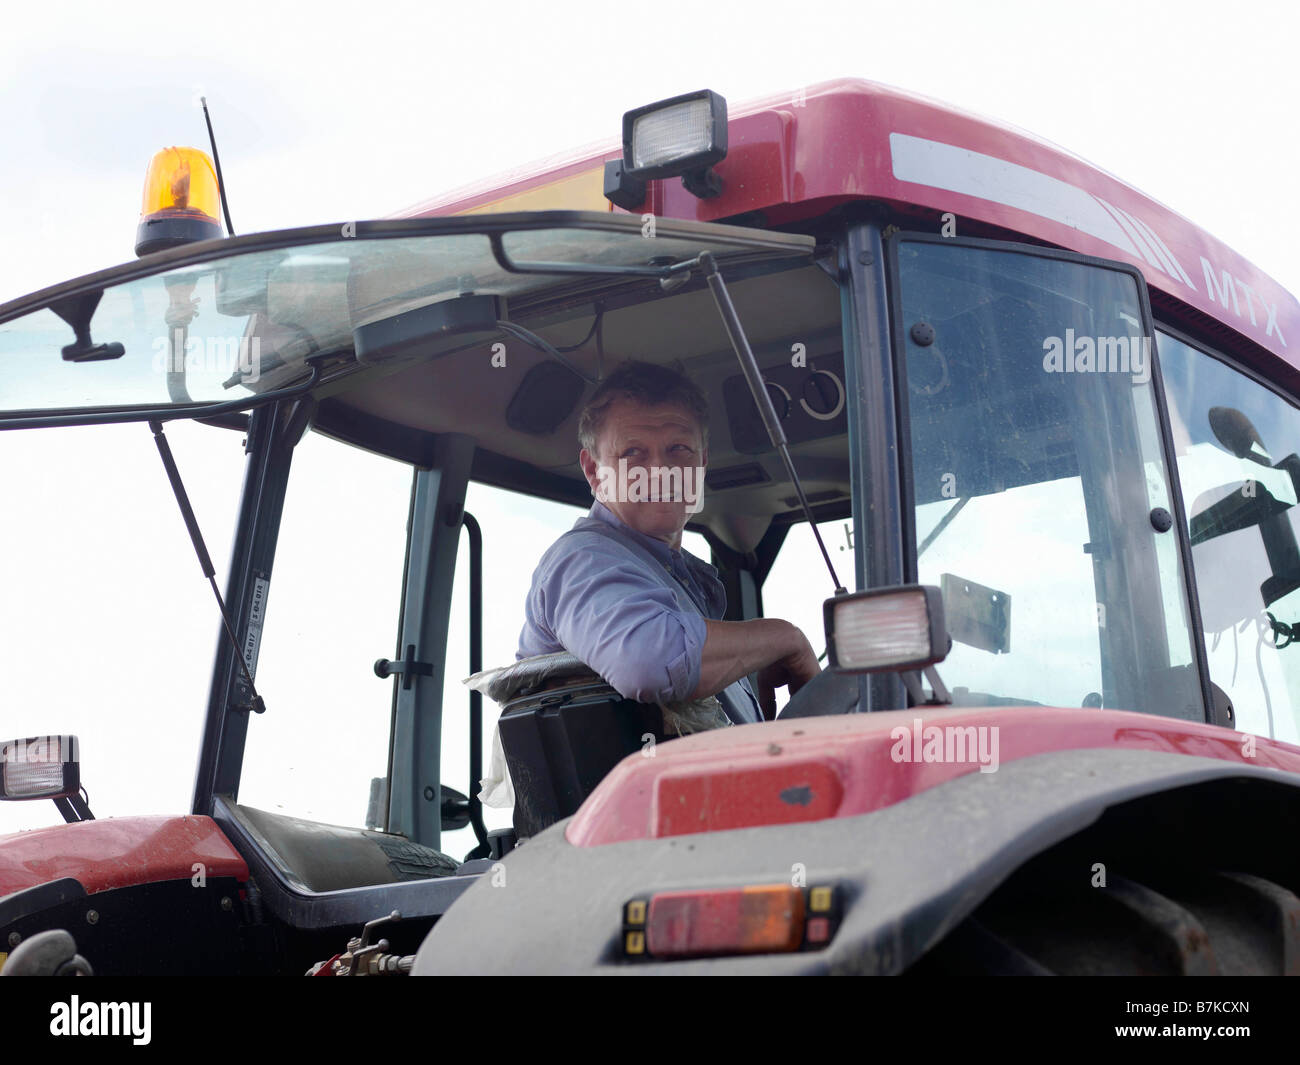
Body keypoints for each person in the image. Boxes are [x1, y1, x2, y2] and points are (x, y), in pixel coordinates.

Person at [517, 360, 821, 725]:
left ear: (702, 464)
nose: (660, 473)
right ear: (595, 472)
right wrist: (783, 638)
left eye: (679, 449)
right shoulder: (582, 558)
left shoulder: (672, 578)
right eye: (633, 453)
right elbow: (646, 661)